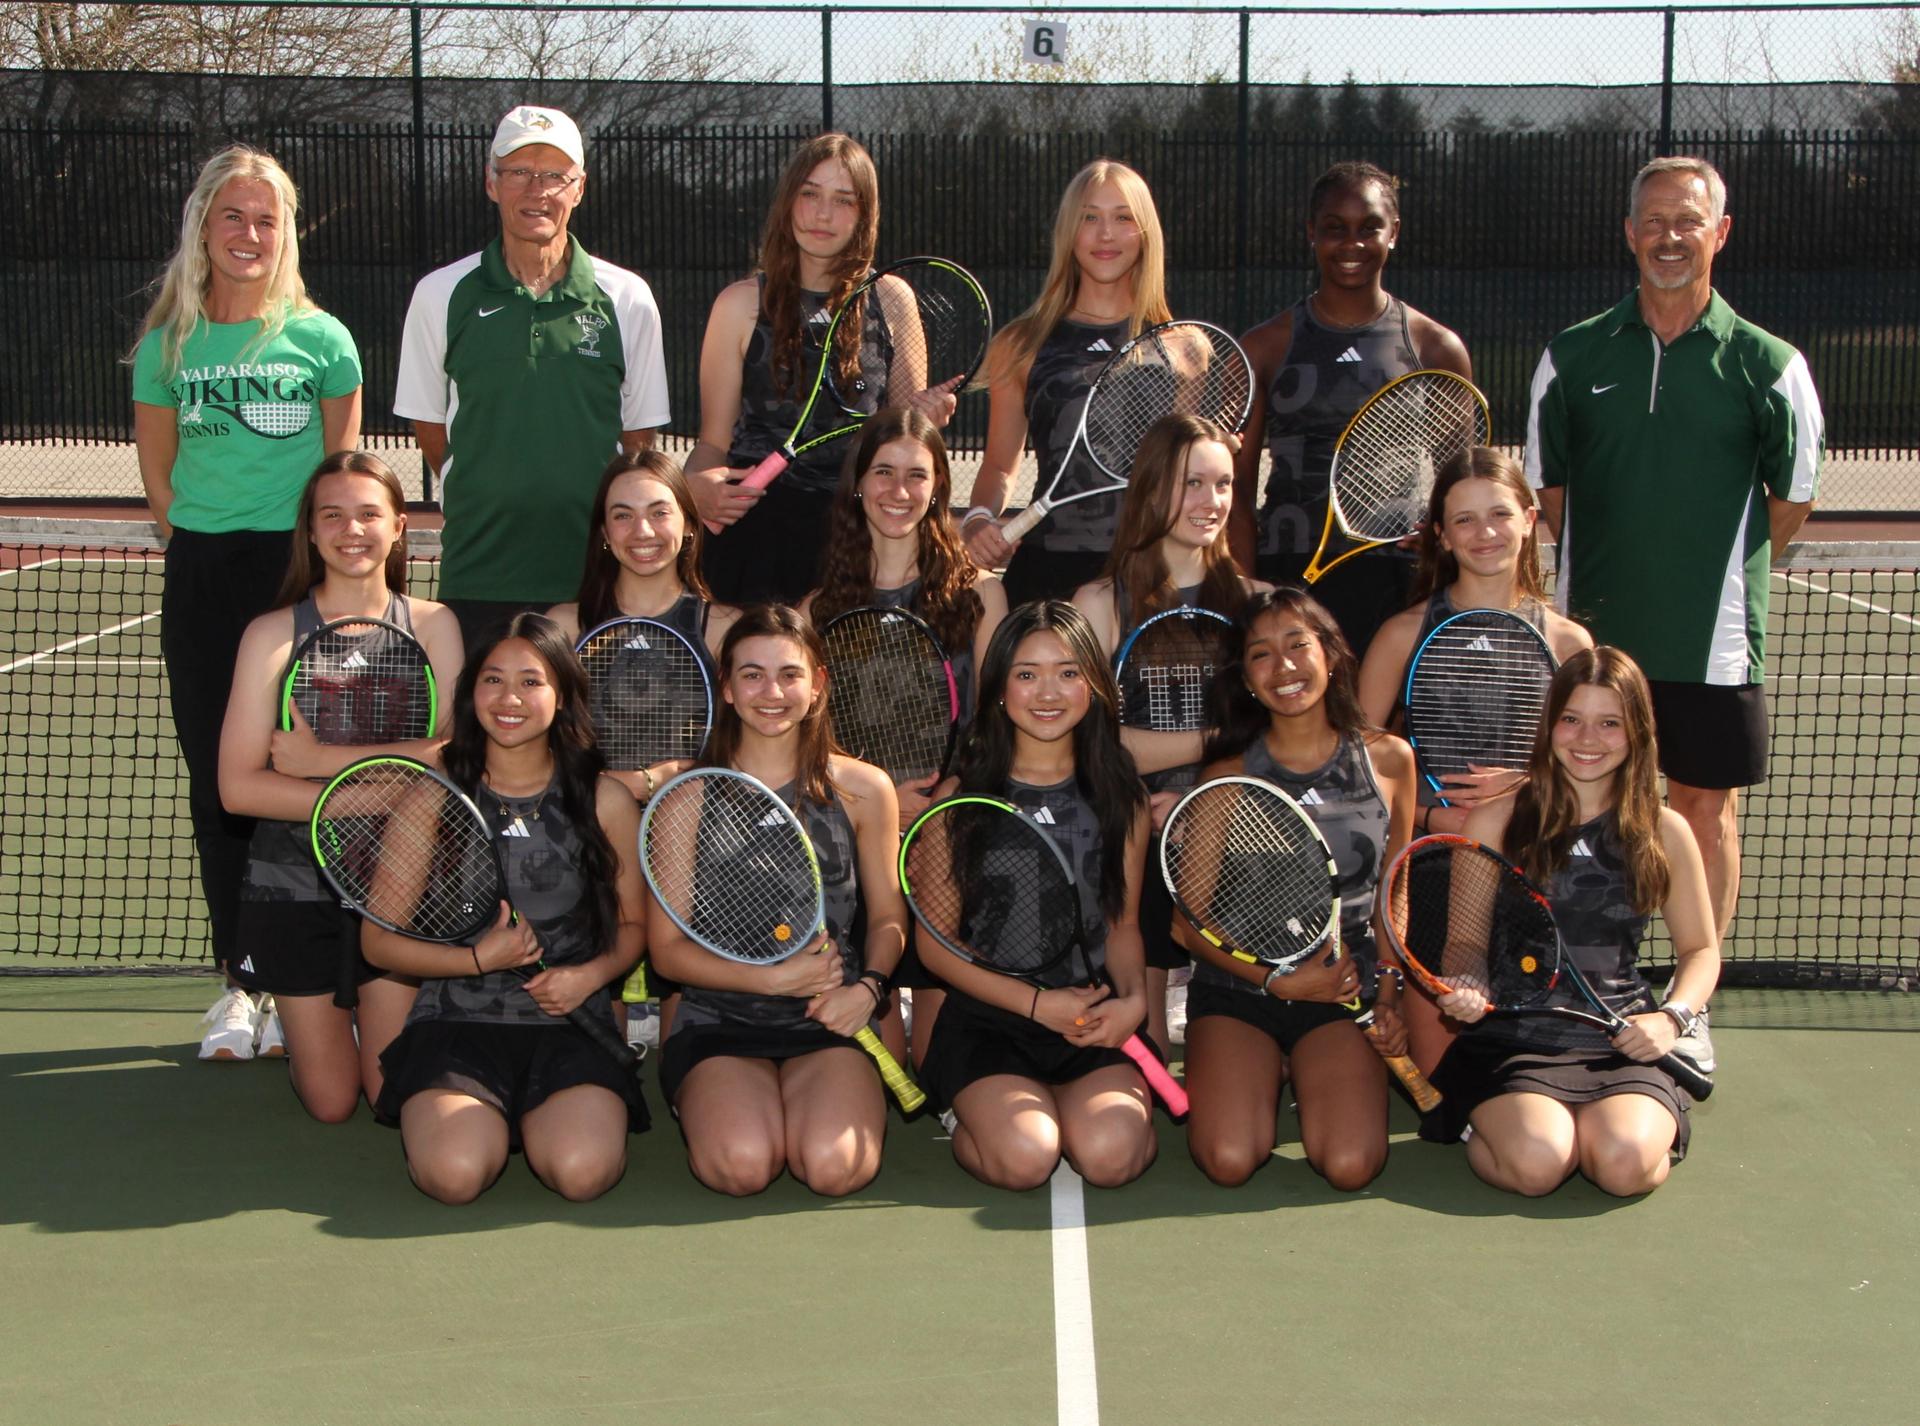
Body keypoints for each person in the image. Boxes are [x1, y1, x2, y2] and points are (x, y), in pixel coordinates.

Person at [1524, 155, 1824, 942]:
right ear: (1629, 233)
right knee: (1580, 805)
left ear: (1719, 233)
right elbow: (1549, 489)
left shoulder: (1770, 365)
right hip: (1595, 644)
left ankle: (1695, 994)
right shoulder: (1574, 355)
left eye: (1687, 221)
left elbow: (1791, 499)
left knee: (1703, 810)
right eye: (1653, 221)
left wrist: (1720, 566)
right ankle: (1585, 969)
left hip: (1714, 647)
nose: (1669, 237)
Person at [130, 143, 364, 1062]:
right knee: (220, 788)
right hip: (203, 580)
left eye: (266, 218)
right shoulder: (167, 348)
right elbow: (160, 488)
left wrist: (319, 578)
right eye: (233, 215)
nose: (249, 233)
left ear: (286, 231)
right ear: (204, 226)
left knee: (320, 779)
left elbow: (343, 483)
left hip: (298, 580)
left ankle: (333, 978)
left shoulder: (324, 341)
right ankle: (242, 981)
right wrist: (205, 544)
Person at [368, 615, 648, 1204]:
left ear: (564, 695)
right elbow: (378, 943)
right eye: (493, 680)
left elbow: (631, 927)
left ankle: (537, 1114)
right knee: (455, 1175)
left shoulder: (606, 800)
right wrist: (477, 959)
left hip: (571, 1026)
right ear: (472, 693)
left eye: (531, 681)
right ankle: (485, 1116)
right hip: (458, 1024)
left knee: (582, 1172)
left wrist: (588, 977)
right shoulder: (432, 793)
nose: (510, 698)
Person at [1421, 648, 1720, 1197]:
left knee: (1624, 1165)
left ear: (1637, 733)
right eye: (1572, 719)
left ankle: (1619, 1125)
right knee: (1538, 1164)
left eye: (1610, 723)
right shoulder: (1496, 821)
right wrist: (1466, 980)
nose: (1588, 739)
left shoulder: (1665, 830)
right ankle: (1485, 1120)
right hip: (1515, 1036)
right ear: (1549, 724)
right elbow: (1463, 943)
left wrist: (1671, 1020)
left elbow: (1701, 949)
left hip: (1621, 1037)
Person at [216, 453, 461, 1120]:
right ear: (312, 532)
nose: (351, 530)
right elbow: (238, 789)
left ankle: (369, 1021)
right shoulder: (272, 634)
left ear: (400, 527)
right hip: (293, 881)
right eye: (333, 516)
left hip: (403, 884)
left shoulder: (434, 625)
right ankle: (305, 1027)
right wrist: (389, 788)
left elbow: (453, 758)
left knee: (390, 1096)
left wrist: (320, 760)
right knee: (330, 1102)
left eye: (368, 514)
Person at [649, 607, 908, 1198]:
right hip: (720, 1021)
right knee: (741, 1166)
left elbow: (890, 917)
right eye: (753, 675)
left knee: (834, 1167)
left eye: (789, 675)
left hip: (832, 1020)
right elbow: (666, 953)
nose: (773, 692)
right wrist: (770, 982)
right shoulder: (686, 796)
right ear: (728, 688)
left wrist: (866, 990)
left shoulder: (865, 789)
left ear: (817, 684)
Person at [395, 105, 671, 650]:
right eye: (518, 171)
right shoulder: (440, 293)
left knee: (588, 735)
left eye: (553, 175)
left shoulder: (629, 298)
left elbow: (638, 441)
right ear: (491, 183)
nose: (535, 190)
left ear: (579, 188)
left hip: (594, 582)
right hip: (479, 573)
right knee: (479, 731)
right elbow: (431, 432)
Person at [1358, 447, 1592, 1070]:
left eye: (1498, 514)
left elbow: (1595, 768)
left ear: (1530, 520)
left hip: (1535, 869)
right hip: (1431, 867)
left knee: (1522, 1063)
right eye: (1463, 520)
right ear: (1440, 534)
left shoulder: (1570, 643)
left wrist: (1529, 789)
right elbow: (1354, 767)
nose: (1484, 533)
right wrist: (1434, 820)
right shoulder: (1402, 633)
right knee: (1446, 1075)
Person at [914, 602, 1159, 1192]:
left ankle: (1064, 1107)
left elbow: (1122, 926)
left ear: (1094, 685)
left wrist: (1130, 1004)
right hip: (992, 1021)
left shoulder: (1121, 797)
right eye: (1026, 674)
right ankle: (972, 1109)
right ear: (998, 688)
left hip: (1090, 1017)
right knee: (1026, 1158)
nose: (1047, 691)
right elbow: (935, 945)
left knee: (1110, 1157)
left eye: (1068, 672)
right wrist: (1033, 1005)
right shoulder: (961, 796)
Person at [1179, 588, 1417, 1191]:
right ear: (1247, 680)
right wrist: (1275, 980)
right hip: (1240, 988)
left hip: (1342, 991)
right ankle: (1256, 1070)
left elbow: (1395, 892)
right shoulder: (1226, 778)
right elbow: (1186, 922)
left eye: (1297, 645)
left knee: (1350, 1165)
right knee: (1230, 1158)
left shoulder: (1389, 761)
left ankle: (1303, 1069)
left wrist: (1389, 994)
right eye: (1261, 655)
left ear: (1329, 653)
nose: (1283, 667)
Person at [800, 410, 1008, 1064]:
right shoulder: (816, 610)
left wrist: (944, 792)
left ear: (940, 487)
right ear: (857, 486)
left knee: (940, 837)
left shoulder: (982, 596)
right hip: (850, 810)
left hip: (952, 806)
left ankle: (946, 1049)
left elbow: (999, 719)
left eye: (916, 475)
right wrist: (879, 798)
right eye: (882, 472)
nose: (899, 490)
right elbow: (802, 738)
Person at [1070, 414, 1268, 1051]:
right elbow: (1092, 739)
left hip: (1237, 825)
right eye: (1192, 483)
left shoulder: (1258, 603)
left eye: (1223, 484)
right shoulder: (1098, 604)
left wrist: (1202, 798)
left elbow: (1288, 740)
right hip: (1132, 828)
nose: (1211, 502)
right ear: (1153, 489)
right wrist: (1214, 745)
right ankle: (1152, 992)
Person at [689, 133, 955, 606]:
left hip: (855, 535)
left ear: (864, 214)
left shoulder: (892, 299)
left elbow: (905, 437)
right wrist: (696, 487)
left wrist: (926, 423)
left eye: (843, 200)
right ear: (789, 201)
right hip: (754, 536)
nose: (823, 214)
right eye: (810, 194)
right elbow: (712, 444)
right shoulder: (738, 304)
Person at [1229, 160, 1472, 660]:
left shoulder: (1436, 348)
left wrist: (1435, 543)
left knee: (1384, 732)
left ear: (1394, 233)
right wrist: (1247, 593)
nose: (1351, 245)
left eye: (1369, 228)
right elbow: (1236, 493)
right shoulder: (1263, 348)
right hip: (1289, 570)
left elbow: (1462, 490)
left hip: (1395, 576)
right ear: (1311, 233)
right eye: (1335, 229)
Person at [961, 159, 1173, 606]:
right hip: (1047, 572)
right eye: (1090, 218)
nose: (1106, 234)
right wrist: (979, 519)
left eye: (1122, 218)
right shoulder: (1021, 343)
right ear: (1068, 232)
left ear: (1145, 232)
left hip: (1151, 576)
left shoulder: (1185, 347)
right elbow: (1000, 466)